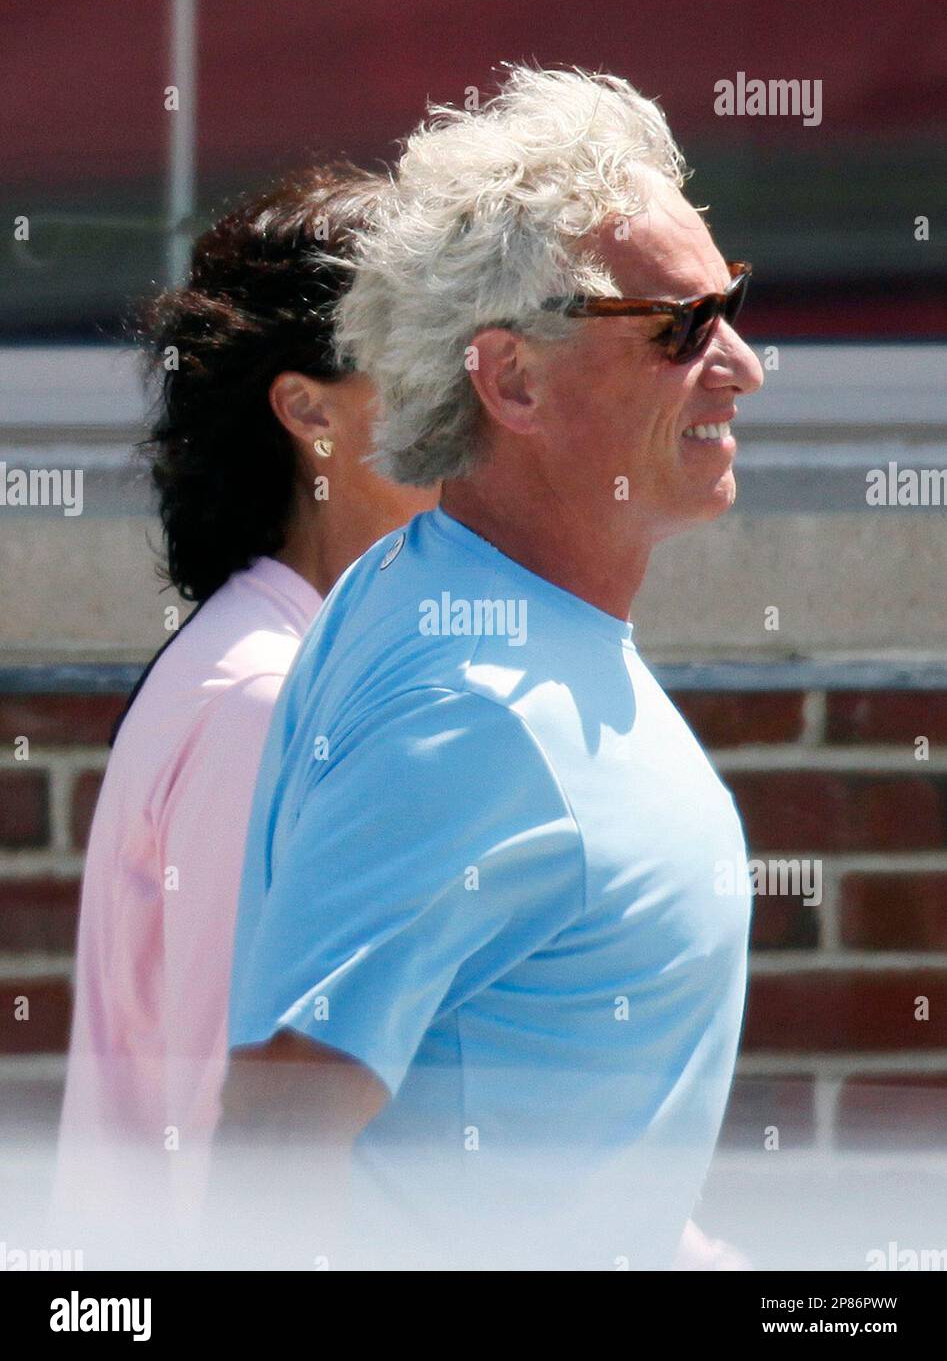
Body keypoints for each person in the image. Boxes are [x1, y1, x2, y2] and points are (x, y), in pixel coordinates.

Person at [220, 67, 764, 1270]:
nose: (740, 365)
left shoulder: (440, 591)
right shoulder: (469, 705)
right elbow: (268, 1145)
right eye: (678, 327)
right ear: (510, 378)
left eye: (730, 306)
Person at [55, 164, 437, 1257]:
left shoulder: (290, 666)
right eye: (424, 361)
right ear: (307, 409)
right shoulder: (262, 701)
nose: (477, 399)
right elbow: (236, 1160)